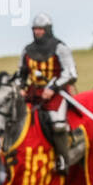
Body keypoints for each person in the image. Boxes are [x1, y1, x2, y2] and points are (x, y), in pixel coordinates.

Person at [17, 12, 78, 174]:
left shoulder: (60, 48)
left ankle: (63, 160)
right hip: (34, 93)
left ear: (47, 30)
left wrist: (52, 88)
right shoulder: (27, 50)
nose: (37, 32)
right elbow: (21, 73)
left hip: (56, 94)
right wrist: (20, 88)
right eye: (35, 29)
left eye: (40, 29)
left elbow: (71, 73)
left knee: (57, 124)